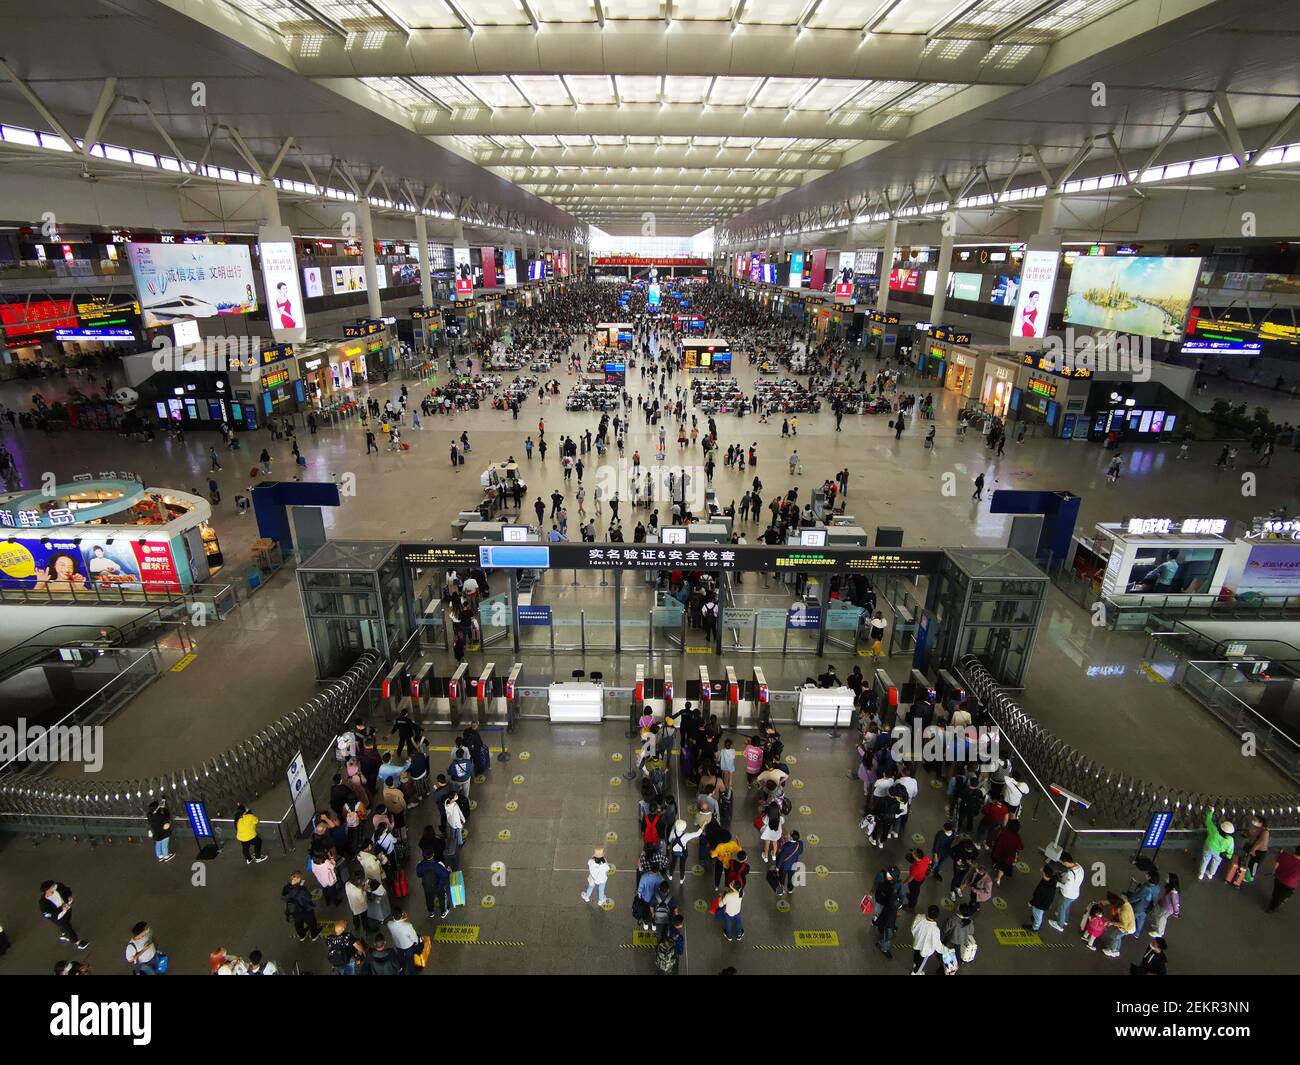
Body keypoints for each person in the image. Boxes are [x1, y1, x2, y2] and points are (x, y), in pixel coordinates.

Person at [40, 880, 89, 950]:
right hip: (59, 917)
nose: (55, 886)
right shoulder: (43, 902)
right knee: (68, 928)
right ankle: (78, 943)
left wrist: (69, 896)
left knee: (68, 921)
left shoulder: (58, 887)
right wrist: (61, 909)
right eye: (52, 886)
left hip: (67, 909)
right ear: (47, 890)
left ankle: (64, 933)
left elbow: (66, 890)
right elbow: (47, 914)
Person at [1047, 852, 1083, 932]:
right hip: (1075, 893)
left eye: (1063, 863)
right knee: (1067, 907)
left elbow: (1066, 887)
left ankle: (1060, 925)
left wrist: (1058, 884)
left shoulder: (1071, 874)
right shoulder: (1080, 867)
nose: (1064, 864)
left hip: (1068, 894)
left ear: (1066, 862)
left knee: (1062, 908)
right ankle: (1065, 920)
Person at [282, 871, 320, 942]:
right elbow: (309, 898)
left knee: (298, 924)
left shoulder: (286, 888)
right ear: (299, 879)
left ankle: (302, 936)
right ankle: (314, 935)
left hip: (294, 911)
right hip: (305, 910)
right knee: (311, 922)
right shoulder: (302, 890)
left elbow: (283, 898)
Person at [1197, 810, 1234, 880]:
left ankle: (1201, 874)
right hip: (1219, 853)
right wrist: (1228, 856)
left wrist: (1210, 812)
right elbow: (1230, 850)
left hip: (1208, 847)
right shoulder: (1230, 840)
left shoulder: (1214, 831)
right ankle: (1210, 874)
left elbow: (1208, 822)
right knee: (1215, 863)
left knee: (1205, 860)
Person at [910, 904, 944, 975]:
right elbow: (936, 944)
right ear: (937, 916)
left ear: (927, 911)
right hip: (925, 950)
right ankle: (915, 972)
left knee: (916, 956)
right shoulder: (935, 930)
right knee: (921, 962)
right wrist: (943, 950)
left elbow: (913, 928)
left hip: (917, 944)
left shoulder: (919, 917)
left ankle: (915, 964)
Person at [1266, 844, 1300, 913]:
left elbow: (1276, 865)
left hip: (1278, 878)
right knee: (1282, 896)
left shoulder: (1284, 855)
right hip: (1290, 884)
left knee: (1276, 891)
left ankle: (1273, 901)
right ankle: (1272, 907)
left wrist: (1273, 872)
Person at [1148, 873, 1181, 937]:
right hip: (1163, 905)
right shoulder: (1169, 887)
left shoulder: (1173, 892)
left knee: (1161, 919)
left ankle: (1159, 933)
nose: (1166, 878)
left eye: (1168, 878)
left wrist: (1176, 912)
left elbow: (1175, 903)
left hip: (1167, 909)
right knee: (1158, 917)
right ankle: (1158, 928)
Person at [1026, 865, 1057, 932]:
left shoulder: (1044, 888)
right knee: (1037, 914)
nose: (1041, 868)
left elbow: (1037, 898)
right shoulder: (1052, 880)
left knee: (1038, 916)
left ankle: (1035, 928)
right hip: (1045, 903)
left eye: (1043, 869)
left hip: (1040, 905)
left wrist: (1031, 903)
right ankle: (1034, 918)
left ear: (1044, 873)